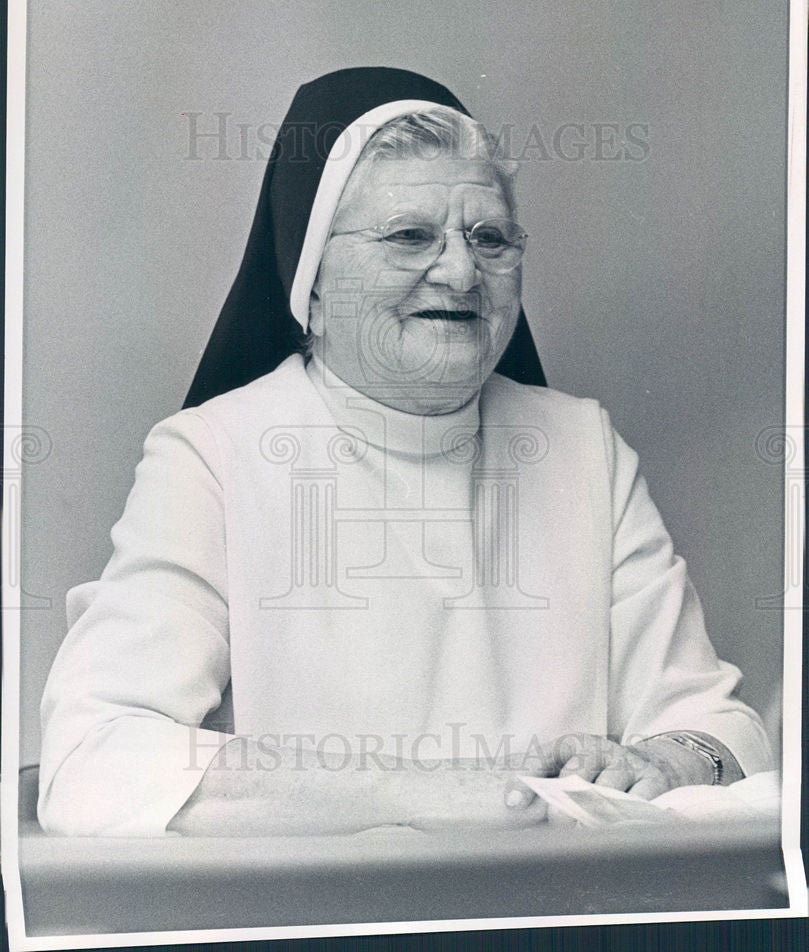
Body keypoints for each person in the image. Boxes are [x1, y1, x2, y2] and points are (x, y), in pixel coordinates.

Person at [38, 68, 772, 837]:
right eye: (408, 236)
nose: (460, 272)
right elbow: (97, 758)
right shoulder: (214, 456)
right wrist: (425, 800)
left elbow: (718, 723)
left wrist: (666, 761)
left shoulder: (582, 447)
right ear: (309, 284)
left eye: (488, 238)